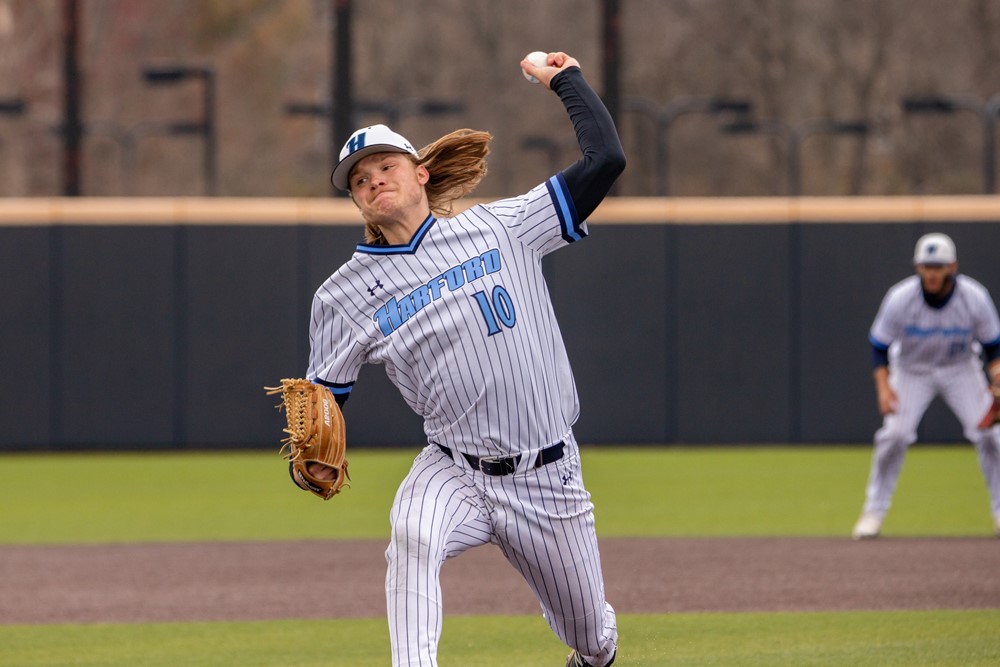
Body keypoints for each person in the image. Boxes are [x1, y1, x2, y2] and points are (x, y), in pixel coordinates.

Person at [305, 52, 624, 667]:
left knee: (591, 638)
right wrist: (316, 452)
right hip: (454, 470)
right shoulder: (342, 296)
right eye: (359, 179)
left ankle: (593, 656)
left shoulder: (504, 226)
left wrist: (566, 81)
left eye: (386, 166)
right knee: (412, 535)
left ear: (421, 173)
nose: (373, 181)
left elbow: (606, 160)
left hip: (548, 476)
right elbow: (325, 400)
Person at [852, 232, 1000, 539]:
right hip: (911, 371)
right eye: (926, 266)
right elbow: (879, 347)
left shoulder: (974, 297)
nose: (932, 273)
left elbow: (993, 347)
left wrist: (997, 375)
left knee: (991, 435)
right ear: (917, 267)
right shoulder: (900, 298)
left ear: (952, 267)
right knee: (894, 435)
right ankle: (873, 511)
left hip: (960, 369)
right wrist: (884, 388)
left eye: (938, 266)